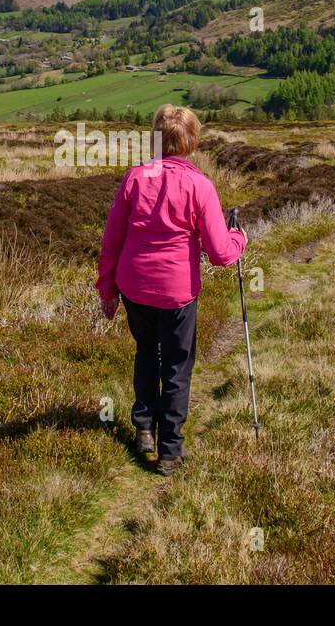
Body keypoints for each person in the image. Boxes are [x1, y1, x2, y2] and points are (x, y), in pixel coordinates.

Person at [96, 104, 246, 475]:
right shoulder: (200, 186)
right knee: (177, 366)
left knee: (146, 351)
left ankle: (144, 426)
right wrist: (239, 237)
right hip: (177, 292)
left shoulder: (135, 179)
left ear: (156, 139)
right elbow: (220, 254)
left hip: (134, 287)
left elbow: (112, 241)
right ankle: (169, 450)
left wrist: (107, 291)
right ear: (192, 142)